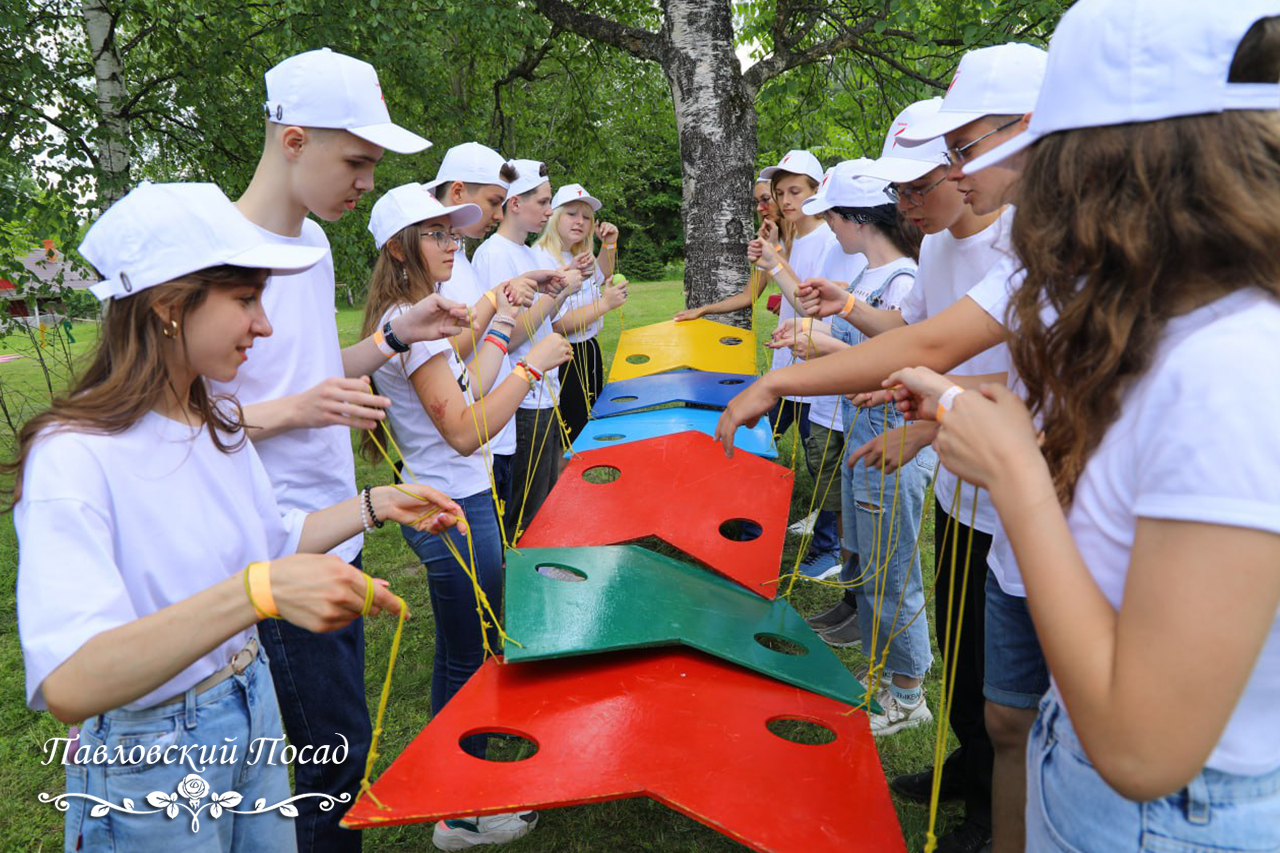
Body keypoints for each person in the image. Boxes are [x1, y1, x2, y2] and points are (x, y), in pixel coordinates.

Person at [887, 3, 1280, 849]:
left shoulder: (1233, 369)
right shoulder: (1176, 325)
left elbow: (1144, 747)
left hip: (1160, 815)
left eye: (1048, 154)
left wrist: (1017, 476)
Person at [12, 183, 460, 853]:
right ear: (169, 307)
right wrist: (259, 590)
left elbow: (274, 538)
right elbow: (72, 679)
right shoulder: (73, 454)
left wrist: (376, 504)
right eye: (246, 300)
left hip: (251, 704)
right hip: (151, 750)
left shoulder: (214, 421)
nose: (266, 325)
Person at [211, 48, 473, 853]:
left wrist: (395, 335)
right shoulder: (217, 251)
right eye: (356, 160)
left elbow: (319, 372)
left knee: (338, 748)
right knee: (329, 763)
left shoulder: (314, 247)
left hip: (340, 528)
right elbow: (177, 423)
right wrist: (292, 409)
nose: (365, 183)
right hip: (271, 542)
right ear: (293, 140)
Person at [361, 183, 571, 850]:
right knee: (469, 659)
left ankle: (464, 795)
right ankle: (460, 811)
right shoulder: (413, 327)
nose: (454, 244)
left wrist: (508, 321)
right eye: (437, 235)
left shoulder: (415, 317)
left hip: (456, 500)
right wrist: (533, 370)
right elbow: (464, 428)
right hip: (448, 507)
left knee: (472, 647)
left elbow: (471, 383)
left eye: (455, 234)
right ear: (400, 248)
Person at [887, 44, 1047, 853]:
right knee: (963, 653)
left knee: (1005, 683)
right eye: (903, 187)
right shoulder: (939, 247)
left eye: (947, 163)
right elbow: (924, 344)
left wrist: (919, 400)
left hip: (1019, 499)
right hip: (963, 484)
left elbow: (947, 352)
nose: (915, 197)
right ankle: (968, 766)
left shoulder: (1029, 243)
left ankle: (992, 806)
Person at [770, 158, 935, 740]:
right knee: (866, 557)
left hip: (897, 439)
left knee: (893, 566)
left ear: (858, 218)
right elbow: (854, 348)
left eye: (833, 217)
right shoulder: (868, 278)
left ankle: (908, 690)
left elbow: (906, 362)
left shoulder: (904, 281)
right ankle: (887, 673)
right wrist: (814, 336)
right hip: (868, 436)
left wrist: (822, 343)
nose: (830, 230)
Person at [426, 143, 539, 530]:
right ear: (457, 193)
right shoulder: (435, 266)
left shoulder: (458, 258)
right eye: (493, 202)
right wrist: (495, 306)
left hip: (490, 438)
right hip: (464, 455)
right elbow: (437, 348)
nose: (498, 213)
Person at [750, 150, 849, 578]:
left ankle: (830, 546)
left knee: (822, 455)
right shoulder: (792, 236)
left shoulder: (830, 239)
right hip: (788, 362)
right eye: (781, 192)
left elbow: (814, 303)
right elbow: (793, 293)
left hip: (816, 364)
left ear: (817, 191)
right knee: (781, 443)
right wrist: (774, 255)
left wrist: (775, 262)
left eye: (796, 191)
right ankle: (797, 525)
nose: (786, 200)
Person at [473, 160, 582, 538]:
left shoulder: (532, 256)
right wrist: (559, 293)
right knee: (525, 503)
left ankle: (541, 559)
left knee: (548, 492)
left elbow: (545, 323)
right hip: (520, 397)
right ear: (515, 203)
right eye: (543, 201)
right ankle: (521, 571)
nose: (549, 211)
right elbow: (508, 337)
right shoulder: (493, 255)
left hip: (544, 392)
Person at [532, 183, 628, 444]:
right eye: (571, 213)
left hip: (587, 351)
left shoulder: (577, 253)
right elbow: (553, 324)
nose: (580, 222)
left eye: (587, 217)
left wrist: (608, 245)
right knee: (568, 439)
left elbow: (601, 276)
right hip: (560, 358)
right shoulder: (540, 258)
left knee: (588, 426)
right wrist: (604, 305)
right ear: (554, 215)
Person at [673, 171, 782, 323]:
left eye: (765, 199)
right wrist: (701, 310)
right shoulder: (771, 242)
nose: (759, 208)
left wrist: (792, 300)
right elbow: (748, 296)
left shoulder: (811, 236)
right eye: (756, 202)